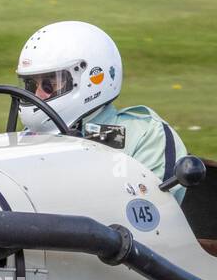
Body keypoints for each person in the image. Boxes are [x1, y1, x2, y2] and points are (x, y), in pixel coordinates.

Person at [15, 21, 188, 191]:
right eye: (30, 84)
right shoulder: (28, 136)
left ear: (90, 79)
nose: (37, 95)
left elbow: (151, 211)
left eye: (49, 83)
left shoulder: (144, 136)